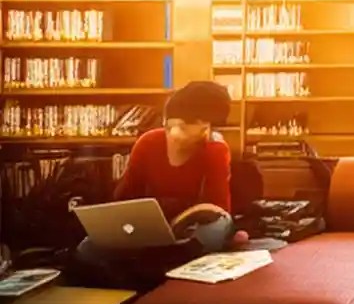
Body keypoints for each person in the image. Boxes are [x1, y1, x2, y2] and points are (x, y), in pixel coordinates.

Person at [72, 81, 239, 289]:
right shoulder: (149, 142)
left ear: (205, 127)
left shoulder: (215, 150)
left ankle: (156, 266)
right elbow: (123, 199)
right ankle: (153, 266)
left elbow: (219, 209)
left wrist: (181, 221)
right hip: (146, 228)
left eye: (186, 127)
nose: (175, 133)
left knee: (217, 228)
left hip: (187, 231)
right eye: (170, 125)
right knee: (87, 247)